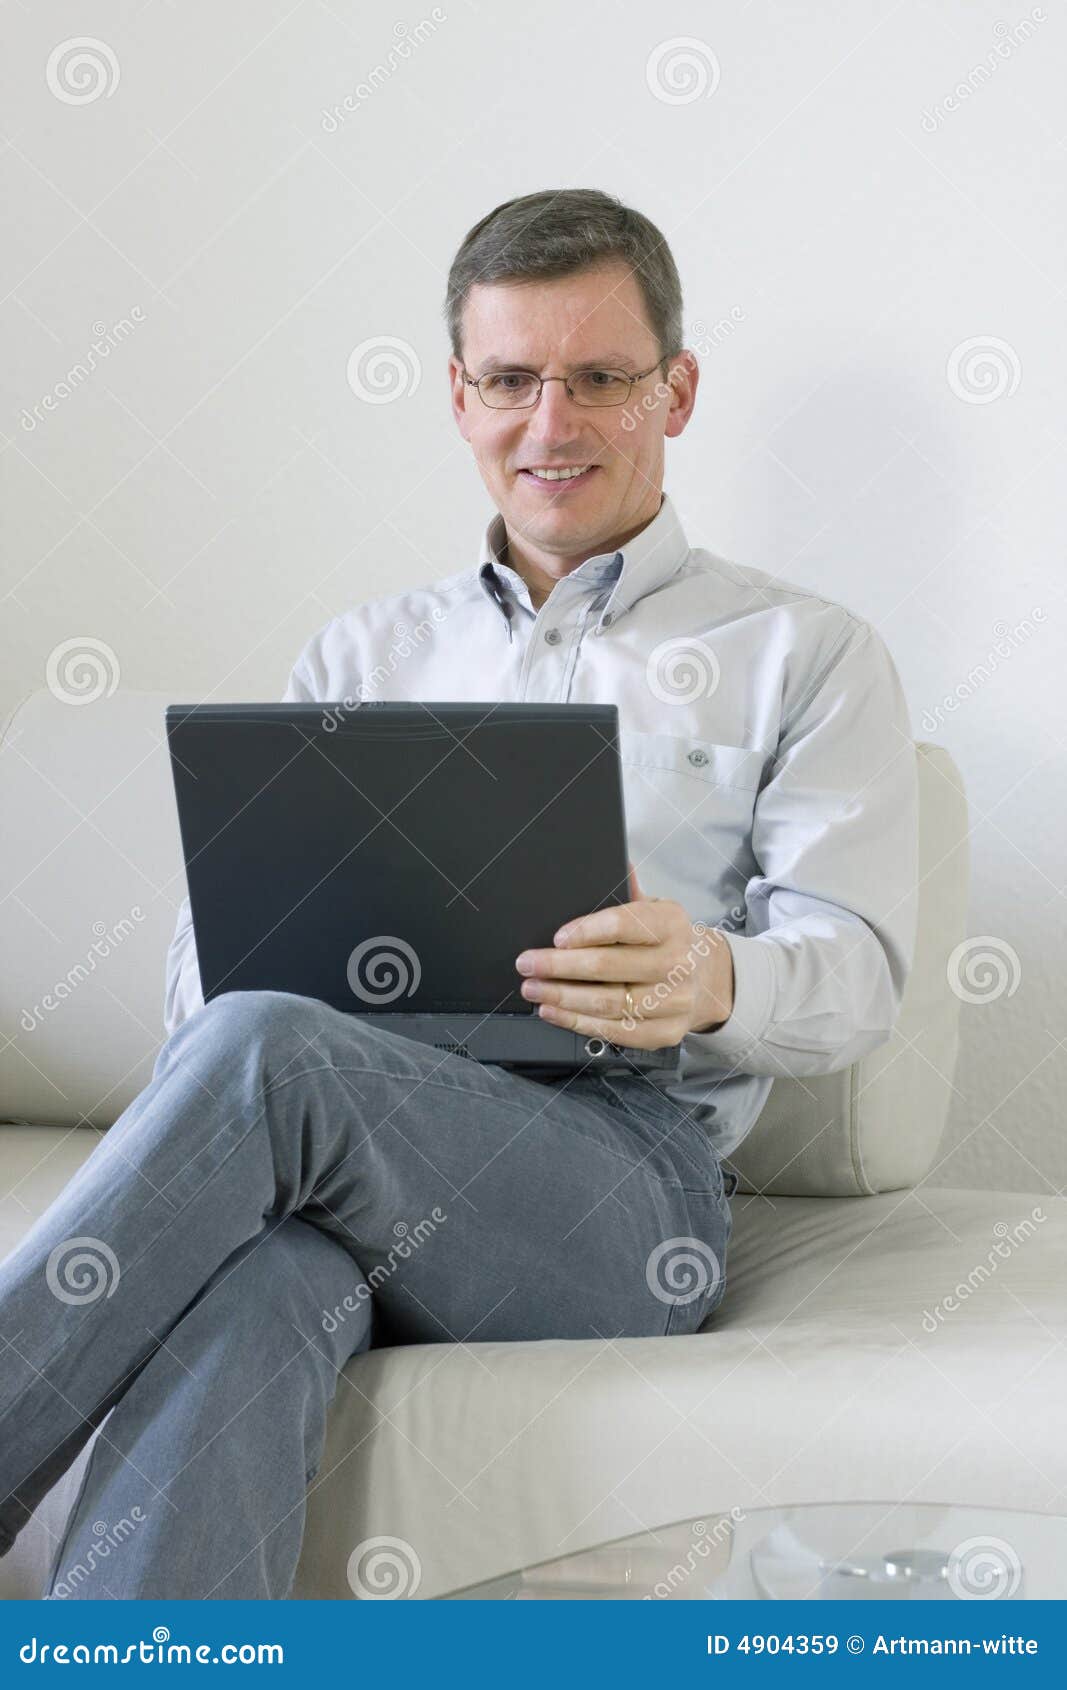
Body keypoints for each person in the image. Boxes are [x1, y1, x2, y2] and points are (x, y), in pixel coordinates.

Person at [0, 188, 917, 1599]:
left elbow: (856, 968)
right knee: (263, 1276)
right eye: (510, 380)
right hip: (340, 1148)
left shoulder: (803, 650)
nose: (550, 424)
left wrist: (715, 977)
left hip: (625, 1183)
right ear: (458, 393)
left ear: (675, 390)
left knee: (266, 1051)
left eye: (600, 377)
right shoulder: (360, 655)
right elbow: (207, 979)